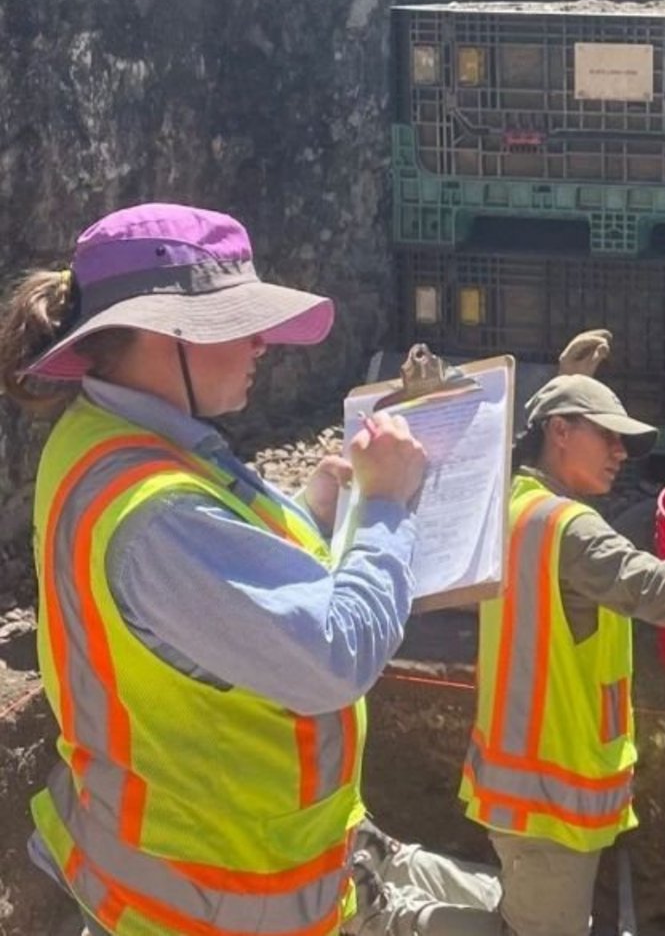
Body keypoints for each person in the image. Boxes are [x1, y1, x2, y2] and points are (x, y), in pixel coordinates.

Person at [0, 203, 498, 935]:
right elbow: (337, 654)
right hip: (214, 904)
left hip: (169, 873)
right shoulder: (159, 515)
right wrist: (387, 505)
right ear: (160, 333)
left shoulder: (103, 436)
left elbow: (200, 589)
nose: (263, 341)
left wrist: (313, 506)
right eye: (236, 321)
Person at [460, 363, 665, 936]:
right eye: (607, 434)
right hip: (550, 799)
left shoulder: (513, 504)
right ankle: (402, 916)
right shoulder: (570, 529)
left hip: (519, 785)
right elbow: (648, 585)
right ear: (560, 431)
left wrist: (566, 377)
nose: (621, 452)